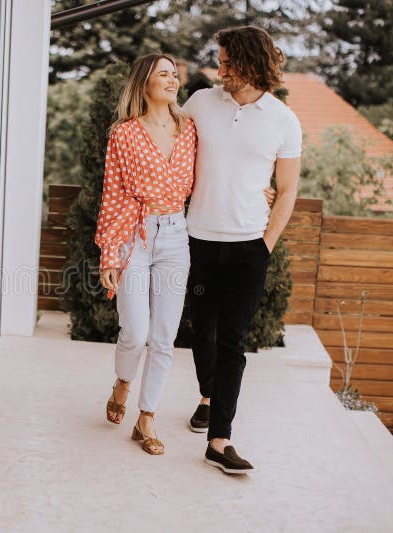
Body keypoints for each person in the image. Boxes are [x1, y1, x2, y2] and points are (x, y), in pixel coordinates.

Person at [94, 53, 274, 456]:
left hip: (177, 237)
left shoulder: (189, 129)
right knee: (135, 331)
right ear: (144, 82)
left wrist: (262, 192)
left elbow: (224, 170)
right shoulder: (123, 134)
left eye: (175, 74)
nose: (172, 80)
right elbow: (113, 194)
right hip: (134, 238)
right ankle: (123, 382)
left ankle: (146, 417)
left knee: (163, 337)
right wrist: (109, 253)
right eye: (163, 74)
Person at [181, 26, 302, 474]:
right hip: (197, 241)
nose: (221, 69)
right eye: (220, 60)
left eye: (228, 62)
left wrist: (265, 244)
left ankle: (220, 438)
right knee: (201, 328)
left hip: (249, 247)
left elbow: (287, 190)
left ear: (252, 63)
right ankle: (207, 394)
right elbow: (172, 155)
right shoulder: (200, 103)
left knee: (234, 341)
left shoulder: (283, 120)